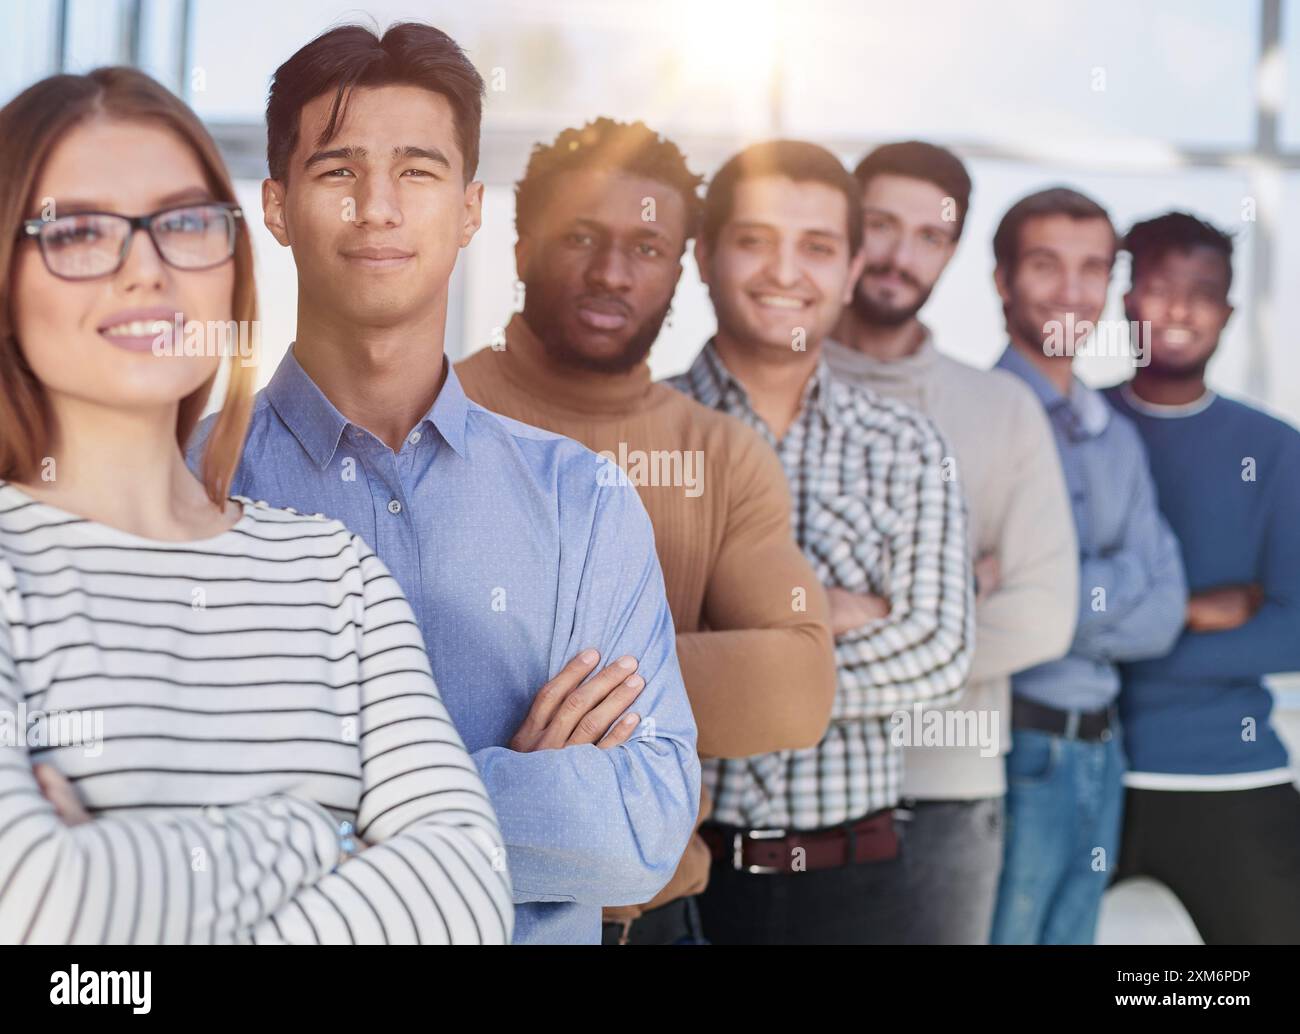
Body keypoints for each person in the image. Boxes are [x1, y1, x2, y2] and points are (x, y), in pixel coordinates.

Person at [186, 23, 699, 945]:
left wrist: (321, 815)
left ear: (468, 210)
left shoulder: (579, 500)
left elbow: (640, 826)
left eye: (417, 172)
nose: (378, 207)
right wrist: (511, 791)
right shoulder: (179, 489)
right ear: (276, 205)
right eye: (338, 171)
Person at [0, 67, 511, 944]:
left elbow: (468, 892)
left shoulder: (335, 573)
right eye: (79, 231)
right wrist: (316, 833)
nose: (144, 269)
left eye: (185, 222)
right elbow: (38, 907)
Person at [456, 118, 837, 945]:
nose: (611, 274)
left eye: (647, 248)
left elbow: (799, 684)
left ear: (680, 269)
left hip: (658, 921)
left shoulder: (724, 453)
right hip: (468, 910)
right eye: (580, 238)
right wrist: (663, 678)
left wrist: (522, 686)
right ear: (520, 248)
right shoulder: (433, 416)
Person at [670, 140, 974, 944]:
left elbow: (939, 654)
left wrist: (714, 647)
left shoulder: (908, 444)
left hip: (858, 887)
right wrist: (828, 622)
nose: (784, 272)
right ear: (704, 255)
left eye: (816, 247)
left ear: (849, 269)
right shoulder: (636, 433)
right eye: (754, 240)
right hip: (677, 880)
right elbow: (594, 658)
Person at [826, 141, 1078, 944]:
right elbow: (723, 608)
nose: (901, 257)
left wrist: (834, 625)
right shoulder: (762, 384)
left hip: (944, 798)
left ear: (954, 254)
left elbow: (1042, 617)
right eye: (881, 226)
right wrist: (946, 599)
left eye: (930, 238)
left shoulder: (1000, 408)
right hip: (769, 793)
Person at [986, 187, 1187, 945]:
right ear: (1002, 279)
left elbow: (1164, 611)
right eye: (1046, 265)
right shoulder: (976, 417)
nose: (1072, 291)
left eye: (1092, 269)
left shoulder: (1117, 436)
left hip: (1104, 753)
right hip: (1012, 754)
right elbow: (995, 618)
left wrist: (1057, 587)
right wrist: (1107, 581)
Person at [1106, 211, 1300, 944]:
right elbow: (1045, 609)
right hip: (1084, 770)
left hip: (1231, 773)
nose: (1181, 310)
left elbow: (1296, 629)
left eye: (1204, 292)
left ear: (1228, 312)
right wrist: (1181, 610)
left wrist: (1122, 635)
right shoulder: (1077, 429)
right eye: (1160, 287)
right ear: (1127, 298)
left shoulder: (1276, 450)